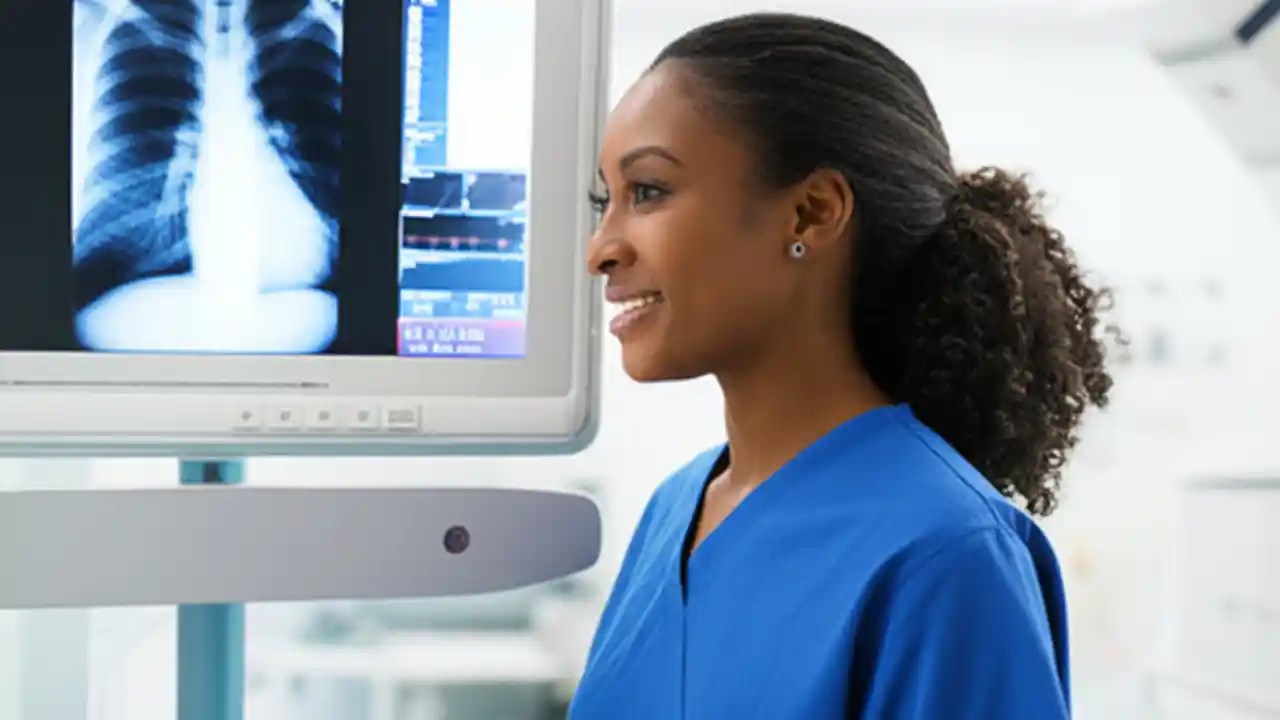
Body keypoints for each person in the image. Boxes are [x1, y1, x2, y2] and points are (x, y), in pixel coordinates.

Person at [570, 11, 1115, 720]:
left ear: (810, 213)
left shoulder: (947, 556)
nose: (601, 249)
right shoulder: (676, 509)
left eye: (647, 192)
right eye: (602, 201)